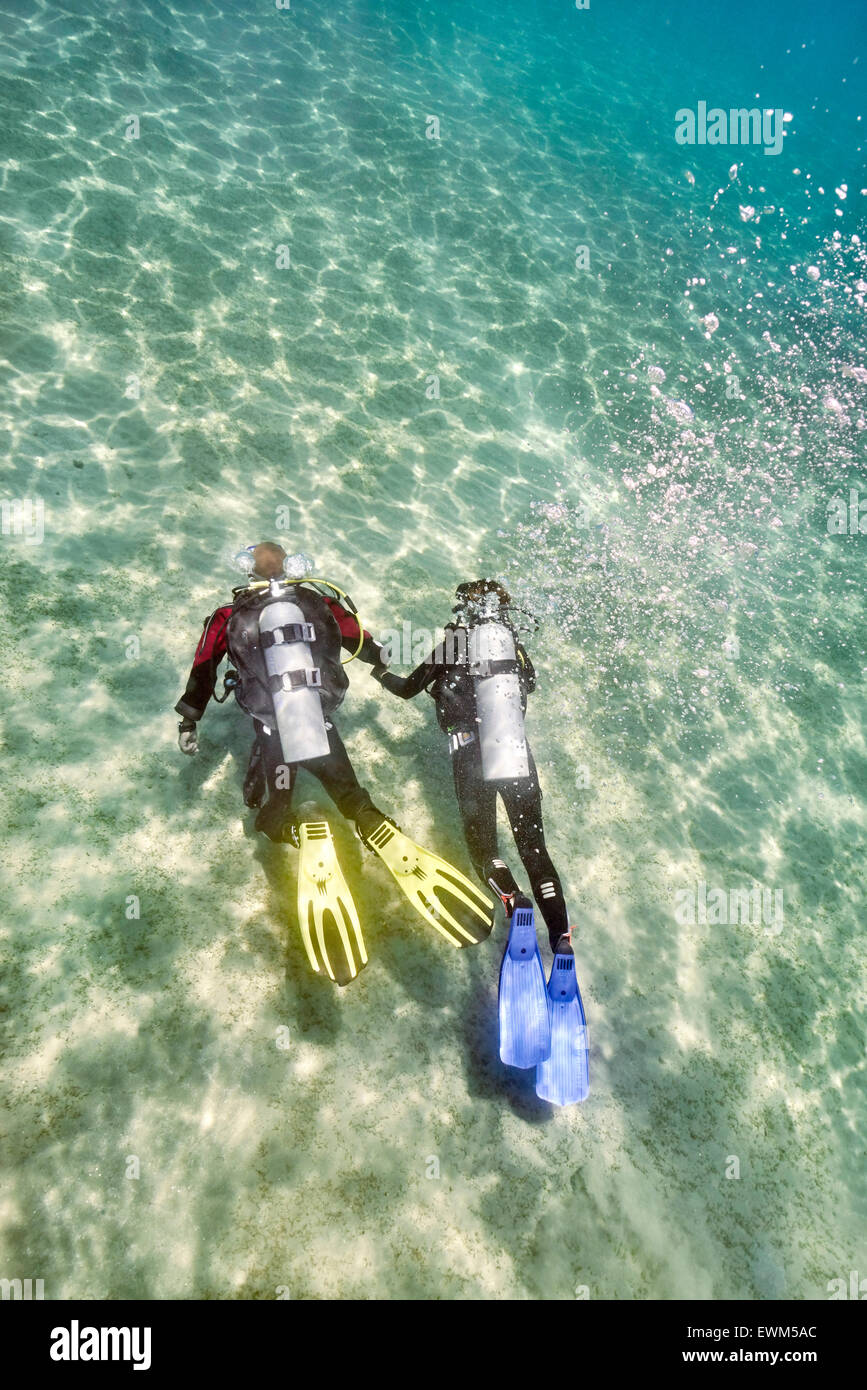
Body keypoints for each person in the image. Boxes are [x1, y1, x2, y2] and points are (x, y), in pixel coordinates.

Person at [174, 543, 493, 986]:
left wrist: (189, 720)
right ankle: (371, 823)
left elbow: (204, 668)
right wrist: (382, 660)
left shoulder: (229, 615)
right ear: (289, 568)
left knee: (267, 815)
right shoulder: (315, 599)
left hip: (274, 737)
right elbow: (362, 642)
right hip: (318, 727)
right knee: (352, 797)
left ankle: (297, 829)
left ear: (248, 571)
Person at [372, 579, 589, 1104]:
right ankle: (560, 936)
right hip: (516, 753)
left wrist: (377, 665)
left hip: (469, 756)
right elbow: (527, 687)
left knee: (483, 849)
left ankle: (513, 904)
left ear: (466, 609)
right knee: (536, 849)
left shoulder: (453, 642)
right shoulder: (511, 645)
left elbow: (405, 689)